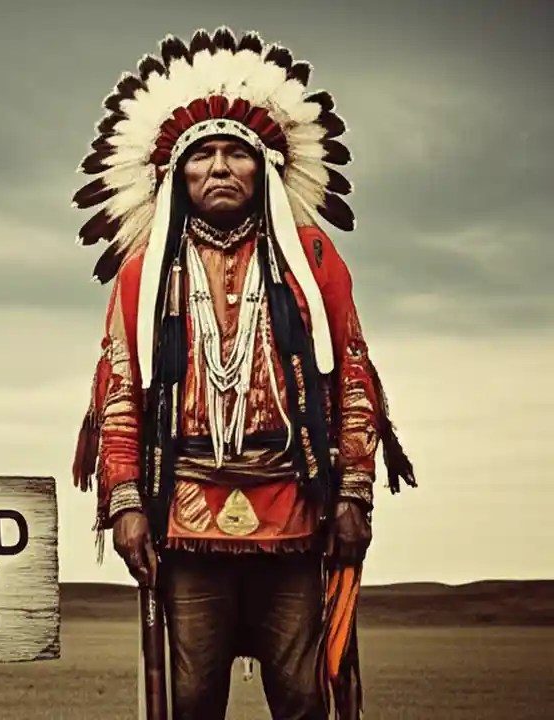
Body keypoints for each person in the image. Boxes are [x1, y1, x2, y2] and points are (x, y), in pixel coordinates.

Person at [70, 27, 418, 719]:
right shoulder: (144, 275)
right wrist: (128, 503)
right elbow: (119, 394)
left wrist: (353, 493)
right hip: (186, 509)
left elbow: (351, 378)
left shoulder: (312, 261)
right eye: (203, 157)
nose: (220, 169)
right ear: (176, 177)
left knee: (302, 694)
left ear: (265, 169)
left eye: (236, 154)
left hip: (294, 507)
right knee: (193, 697)